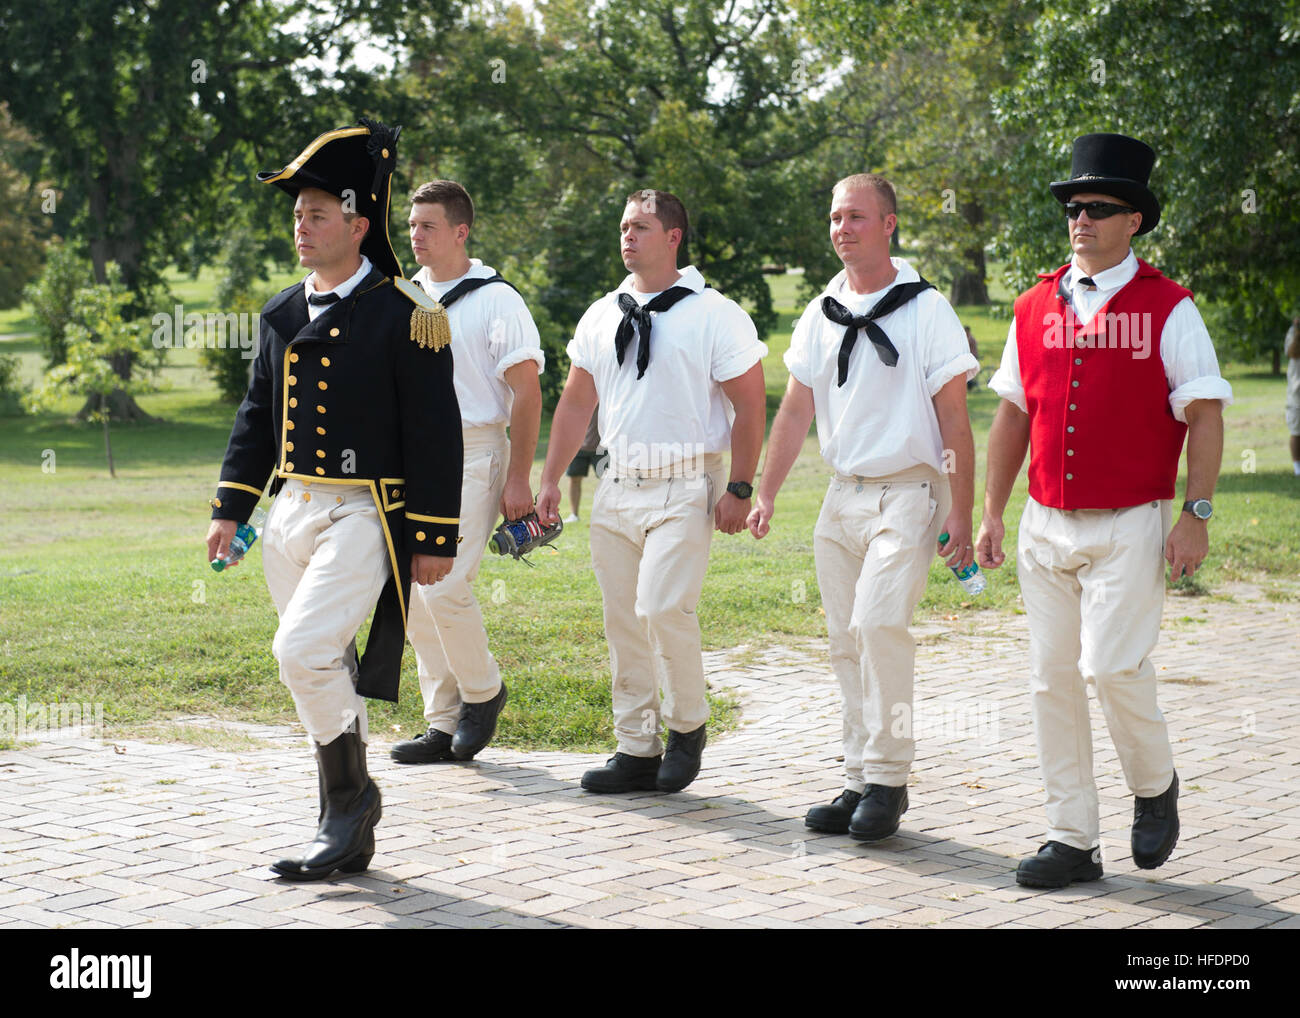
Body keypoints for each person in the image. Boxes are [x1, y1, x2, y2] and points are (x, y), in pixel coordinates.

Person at [205, 119, 463, 880]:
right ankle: (344, 819)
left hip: (366, 512)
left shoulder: (407, 311)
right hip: (291, 513)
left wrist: (434, 536)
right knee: (324, 664)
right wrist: (231, 508)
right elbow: (257, 416)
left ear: (357, 225)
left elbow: (435, 433)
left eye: (317, 214)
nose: (301, 227)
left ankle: (349, 806)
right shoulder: (283, 311)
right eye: (297, 215)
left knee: (301, 651)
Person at [976, 133, 1233, 888]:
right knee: (1051, 679)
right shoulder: (1031, 305)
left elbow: (1206, 414)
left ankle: (1154, 787)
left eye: (1098, 208)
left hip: (1132, 519)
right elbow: (1013, 417)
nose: (1080, 219)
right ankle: (1072, 840)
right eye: (1072, 207)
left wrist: (1198, 513)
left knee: (1112, 667)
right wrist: (992, 511)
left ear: (1134, 222)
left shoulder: (1169, 306)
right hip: (1044, 522)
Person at [748, 173, 978, 841]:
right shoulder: (822, 308)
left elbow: (956, 420)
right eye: (834, 217)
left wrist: (959, 512)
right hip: (840, 495)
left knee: (880, 626)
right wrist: (765, 490)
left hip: (909, 493)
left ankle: (888, 779)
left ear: (889, 225)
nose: (842, 228)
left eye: (856, 216)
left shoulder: (925, 308)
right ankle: (856, 778)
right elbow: (795, 408)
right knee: (844, 641)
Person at [537, 188, 767, 794]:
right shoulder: (601, 312)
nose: (627, 237)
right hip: (617, 484)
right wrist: (550, 475)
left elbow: (750, 405)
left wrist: (740, 487)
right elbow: (576, 402)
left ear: (673, 237)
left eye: (640, 227)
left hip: (688, 483)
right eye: (622, 227)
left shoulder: (714, 312)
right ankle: (635, 747)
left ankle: (688, 725)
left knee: (662, 607)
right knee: (623, 621)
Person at [390, 180, 544, 764]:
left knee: (447, 585)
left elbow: (527, 392)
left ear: (460, 231)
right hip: (411, 458)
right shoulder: (403, 296)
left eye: (427, 226)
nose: (415, 236)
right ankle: (442, 720)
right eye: (411, 226)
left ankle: (485, 694)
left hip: (475, 453)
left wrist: (518, 477)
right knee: (412, 593)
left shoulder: (496, 298)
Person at [564, 407, 606, 523]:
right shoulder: (576, 395)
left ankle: (608, 514)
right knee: (574, 480)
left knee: (608, 482)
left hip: (601, 447)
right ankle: (574, 515)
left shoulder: (604, 393)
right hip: (577, 447)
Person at [1286, 316, 1300, 476]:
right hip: (1297, 391)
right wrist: (1297, 331)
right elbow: (1292, 352)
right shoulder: (1293, 332)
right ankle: (1298, 468)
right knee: (1296, 431)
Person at [965, 326, 980, 390]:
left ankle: (970, 384)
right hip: (972, 356)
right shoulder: (970, 337)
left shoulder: (970, 338)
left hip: (973, 357)